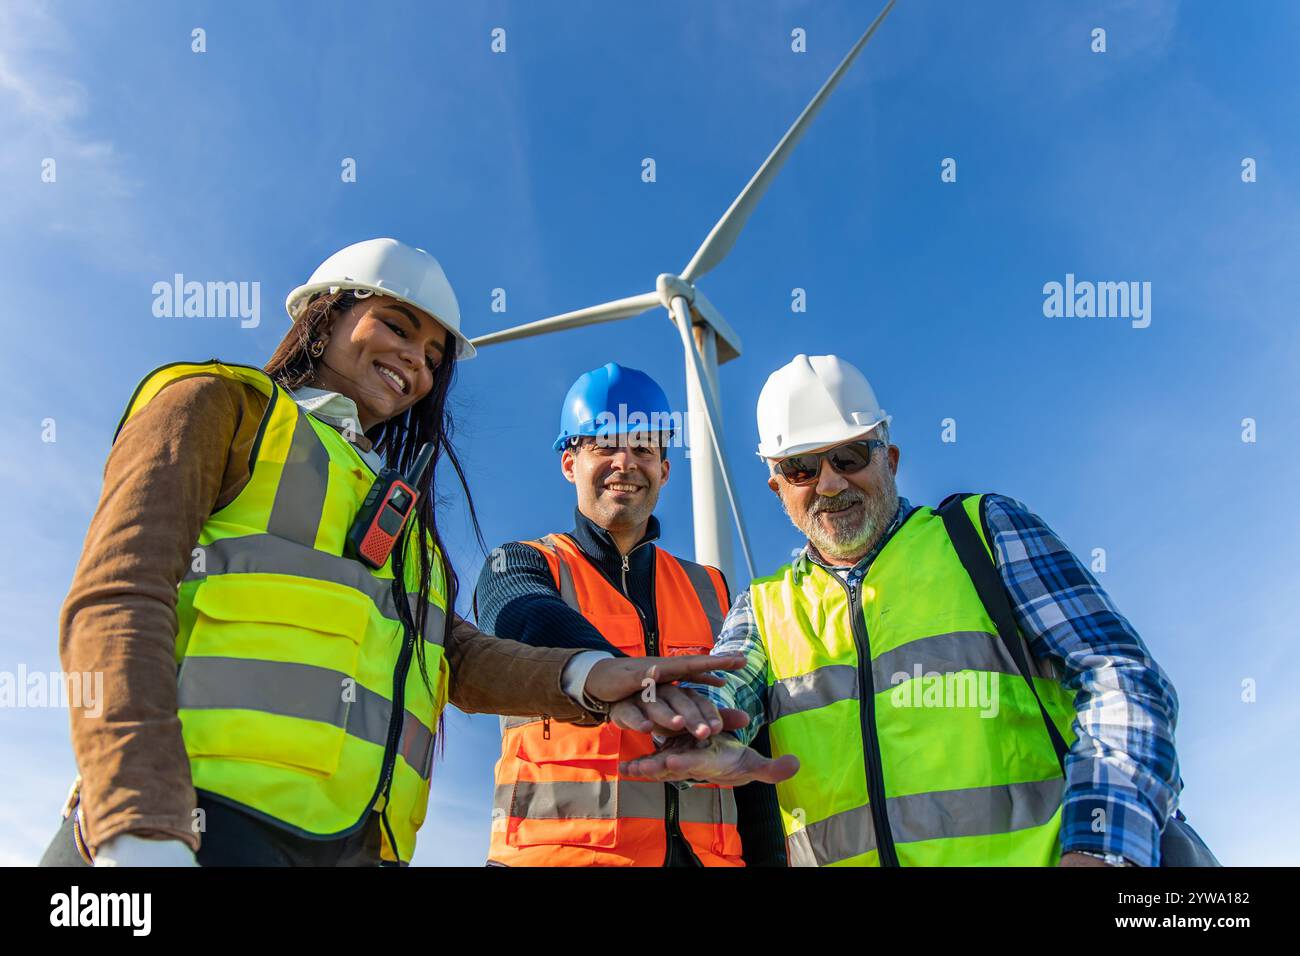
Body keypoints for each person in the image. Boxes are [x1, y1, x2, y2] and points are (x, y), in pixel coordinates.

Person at [40, 238, 741, 868]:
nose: (416, 360)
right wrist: (139, 820)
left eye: (435, 357)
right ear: (323, 314)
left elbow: (456, 657)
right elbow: (119, 597)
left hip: (357, 847)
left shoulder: (406, 524)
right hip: (194, 823)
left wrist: (592, 676)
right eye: (397, 326)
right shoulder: (220, 407)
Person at [624, 353, 1183, 867]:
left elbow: (1120, 678)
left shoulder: (981, 535)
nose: (830, 482)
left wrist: (1102, 848)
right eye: (802, 469)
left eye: (849, 455)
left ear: (888, 458)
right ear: (778, 488)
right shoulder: (764, 605)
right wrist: (695, 731)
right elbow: (725, 690)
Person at [474, 363, 785, 866]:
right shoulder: (522, 565)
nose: (625, 462)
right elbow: (521, 619)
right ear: (569, 462)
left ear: (664, 468)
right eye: (604, 444)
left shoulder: (714, 590)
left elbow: (749, 747)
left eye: (643, 448)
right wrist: (629, 680)